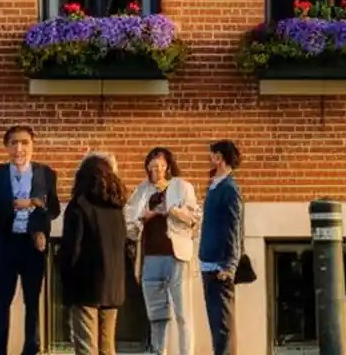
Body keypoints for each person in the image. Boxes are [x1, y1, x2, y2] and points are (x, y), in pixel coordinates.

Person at [0, 125, 61, 355]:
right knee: (0, 305)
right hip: (5, 245)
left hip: (33, 246)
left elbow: (53, 208)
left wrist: (39, 214)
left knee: (33, 304)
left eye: (25, 143)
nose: (19, 148)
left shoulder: (45, 173)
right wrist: (16, 204)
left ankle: (31, 350)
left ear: (32, 145)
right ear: (7, 147)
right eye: (14, 143)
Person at [125, 147, 199, 355]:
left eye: (160, 165)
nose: (156, 169)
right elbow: (129, 224)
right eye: (152, 166)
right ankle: (159, 352)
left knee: (183, 314)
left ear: (168, 166)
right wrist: (141, 219)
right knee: (157, 315)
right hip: (150, 259)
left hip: (176, 256)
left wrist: (166, 210)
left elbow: (193, 217)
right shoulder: (142, 190)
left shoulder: (182, 187)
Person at [60, 153, 128, 355]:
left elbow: (72, 249)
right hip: (113, 285)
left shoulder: (79, 206)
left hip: (85, 285)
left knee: (86, 346)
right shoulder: (117, 207)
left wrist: (64, 274)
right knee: (107, 347)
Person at [198, 140, 243, 355]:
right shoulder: (215, 186)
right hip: (208, 263)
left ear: (220, 157)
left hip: (220, 267)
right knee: (216, 325)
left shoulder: (229, 189)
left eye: (212, 155)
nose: (210, 159)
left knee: (223, 325)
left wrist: (230, 265)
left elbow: (235, 226)